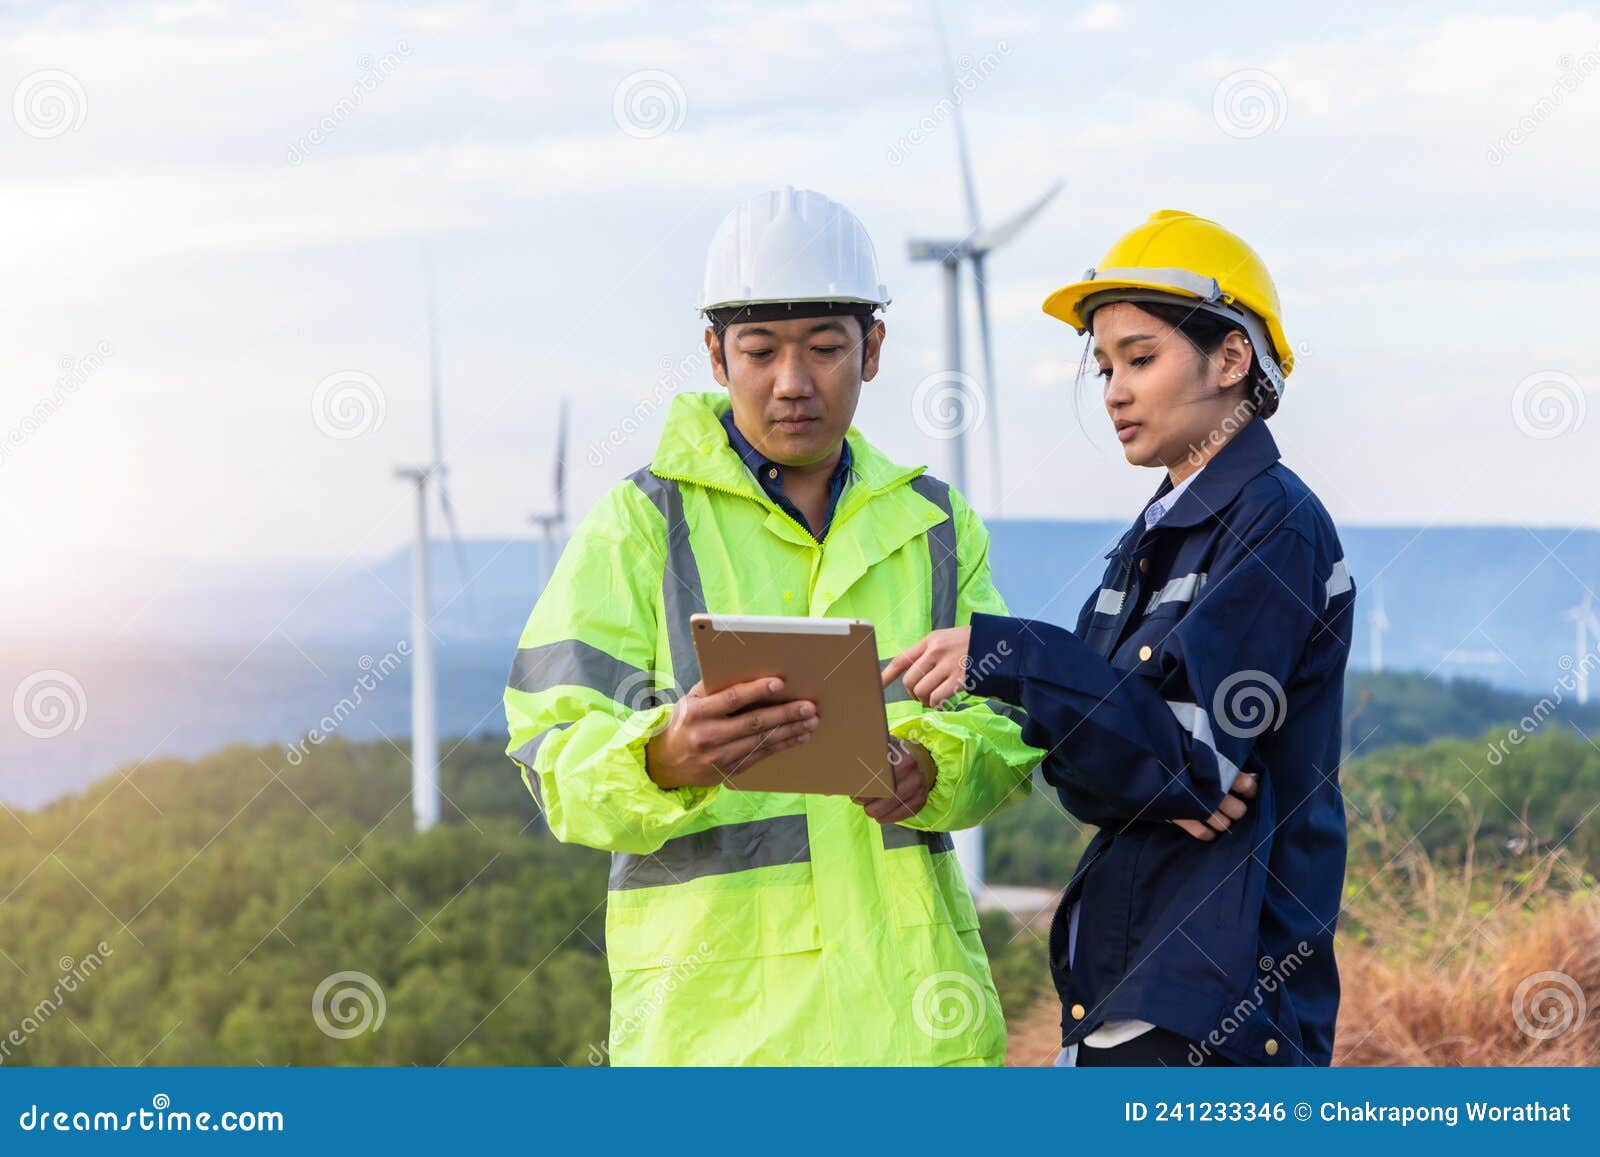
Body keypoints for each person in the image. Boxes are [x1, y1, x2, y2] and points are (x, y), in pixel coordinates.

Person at [504, 186, 1041, 1066]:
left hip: (917, 1034)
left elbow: (1011, 732)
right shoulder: (640, 524)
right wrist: (660, 757)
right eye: (759, 350)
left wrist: (933, 767)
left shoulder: (939, 526)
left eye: (826, 348)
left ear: (873, 350)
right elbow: (546, 751)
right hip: (716, 1042)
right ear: (715, 355)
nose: (793, 383)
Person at [884, 210, 1354, 1067]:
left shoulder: (1274, 525)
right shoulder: (1150, 540)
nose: (1113, 390)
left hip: (1223, 1014)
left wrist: (1019, 656)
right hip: (1129, 994)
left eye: (1141, 357)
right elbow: (1095, 775)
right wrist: (1135, 750)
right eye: (1105, 366)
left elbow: (1180, 763)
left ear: (1232, 357)